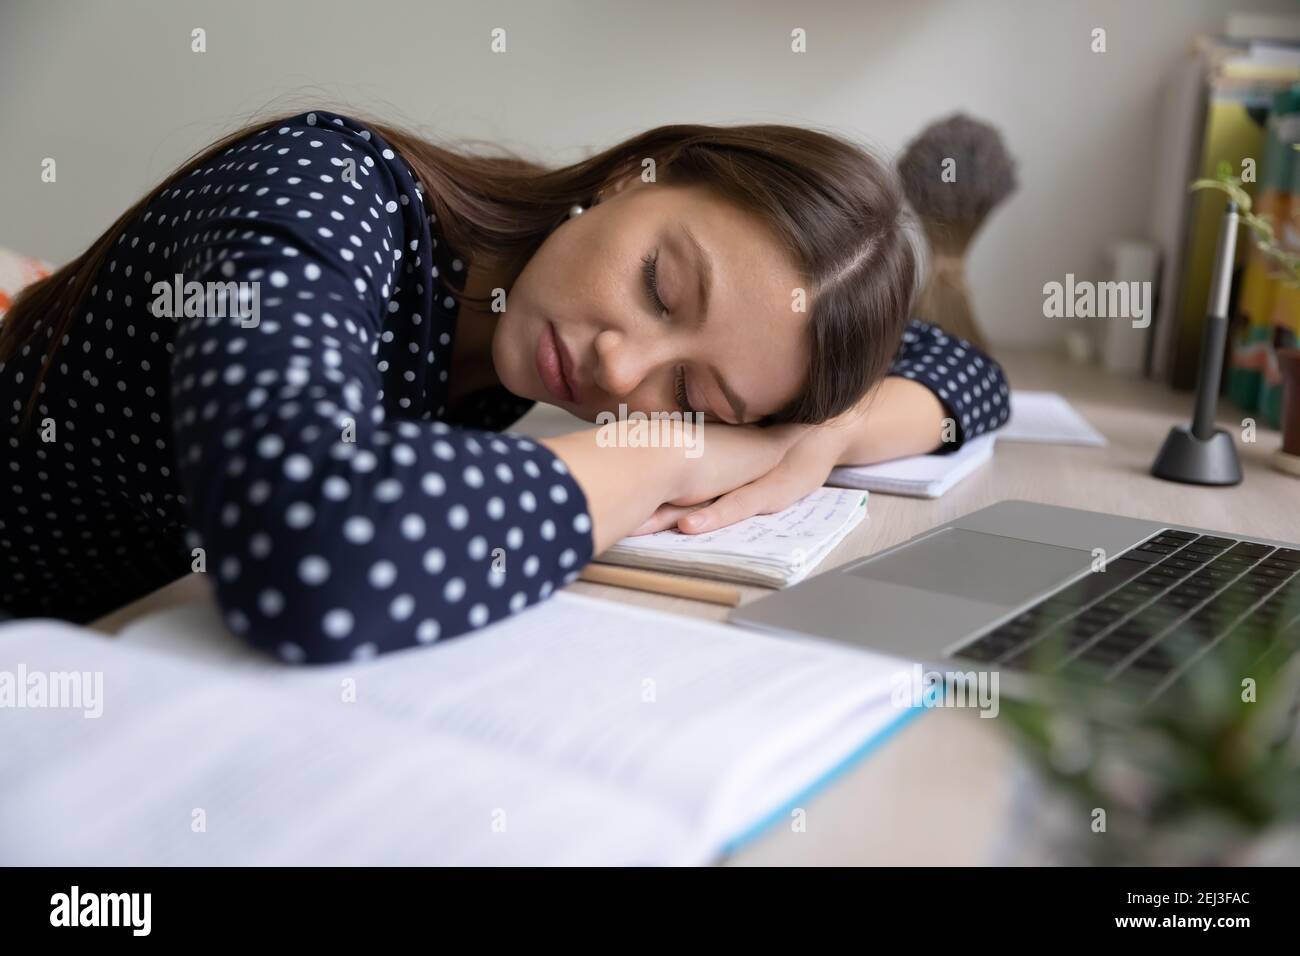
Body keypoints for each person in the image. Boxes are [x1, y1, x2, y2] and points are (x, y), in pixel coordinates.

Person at [0, 109, 1009, 661]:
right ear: (636, 176)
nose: (622, 369)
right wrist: (663, 447)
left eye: (695, 392)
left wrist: (819, 437)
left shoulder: (507, 316)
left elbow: (964, 369)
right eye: (659, 286)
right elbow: (302, 539)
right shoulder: (321, 188)